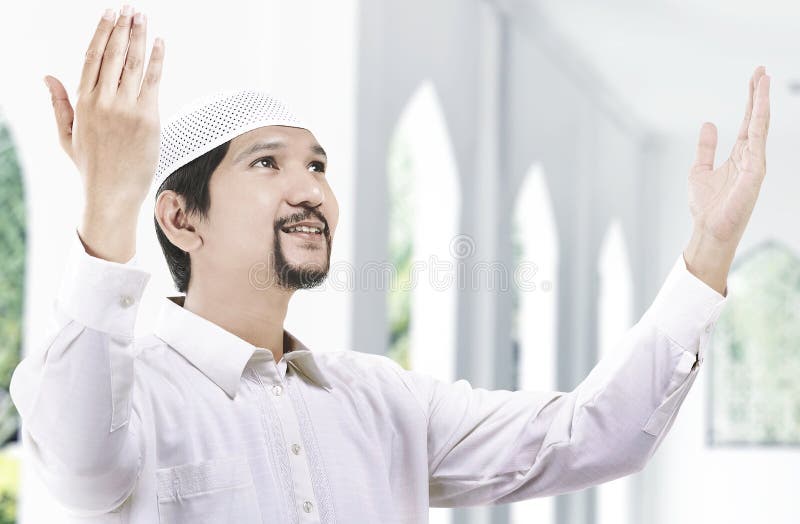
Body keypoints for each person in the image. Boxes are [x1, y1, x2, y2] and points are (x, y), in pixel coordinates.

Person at [9, 5, 771, 524]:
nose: (311, 190)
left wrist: (709, 248)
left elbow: (594, 435)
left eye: (318, 165)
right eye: (268, 164)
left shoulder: (385, 401)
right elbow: (81, 467)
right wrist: (109, 209)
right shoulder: (127, 394)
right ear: (182, 217)